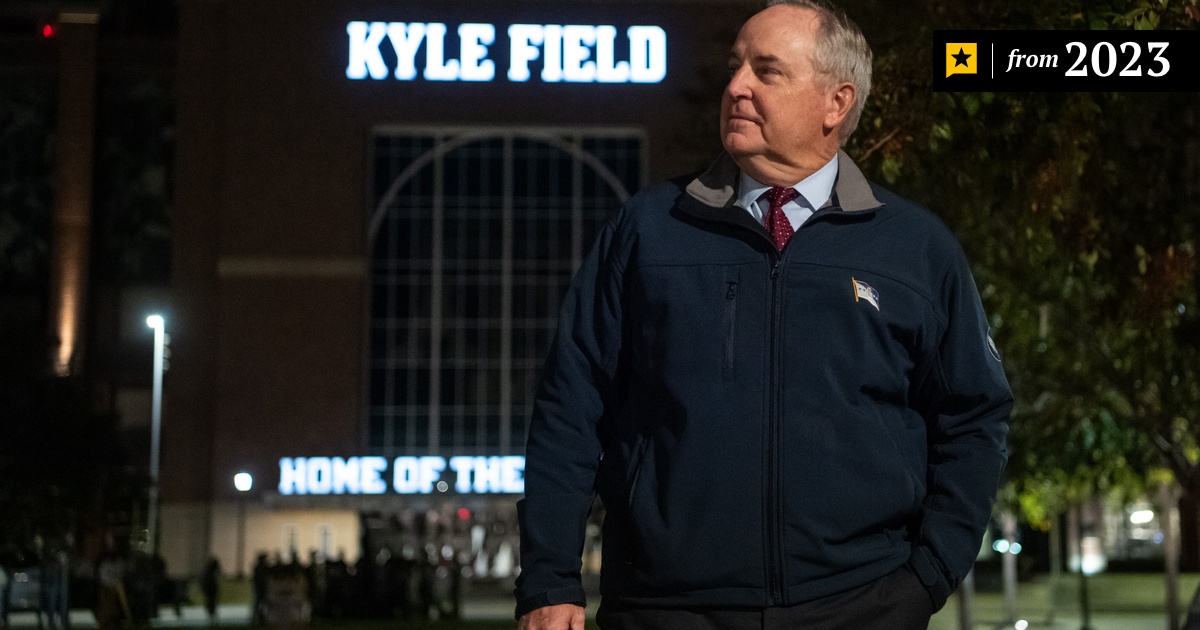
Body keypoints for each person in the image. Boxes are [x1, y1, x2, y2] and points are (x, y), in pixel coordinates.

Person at [513, 1, 1012, 629]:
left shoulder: (915, 248)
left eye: (767, 71)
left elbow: (974, 415)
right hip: (663, 609)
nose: (735, 87)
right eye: (735, 67)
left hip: (861, 604)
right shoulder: (646, 230)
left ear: (836, 102)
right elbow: (570, 405)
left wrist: (928, 575)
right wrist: (549, 578)